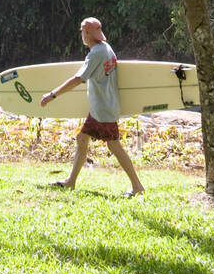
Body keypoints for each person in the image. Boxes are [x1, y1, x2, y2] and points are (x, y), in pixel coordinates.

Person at [40, 16, 144, 196]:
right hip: (103, 107)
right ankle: (71, 181)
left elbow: (78, 79)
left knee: (114, 146)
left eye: (83, 32)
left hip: (103, 110)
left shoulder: (96, 53)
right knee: (82, 140)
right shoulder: (106, 48)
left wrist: (52, 95)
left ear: (87, 33)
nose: (82, 35)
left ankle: (137, 186)